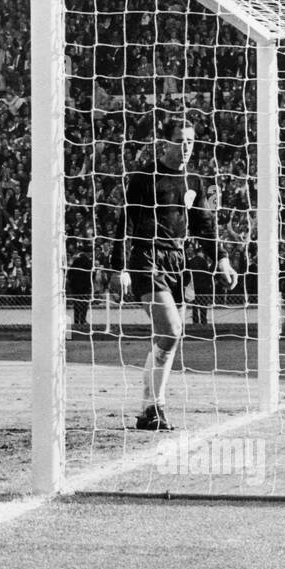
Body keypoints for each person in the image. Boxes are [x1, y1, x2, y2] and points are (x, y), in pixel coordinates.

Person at [117, 116, 238, 431]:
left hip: (178, 261)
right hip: (147, 258)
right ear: (164, 143)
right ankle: (154, 406)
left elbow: (204, 226)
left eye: (191, 141)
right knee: (170, 330)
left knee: (169, 338)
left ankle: (149, 410)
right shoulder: (145, 177)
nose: (186, 147)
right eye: (180, 141)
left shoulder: (194, 181)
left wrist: (222, 259)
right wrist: (118, 266)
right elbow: (124, 222)